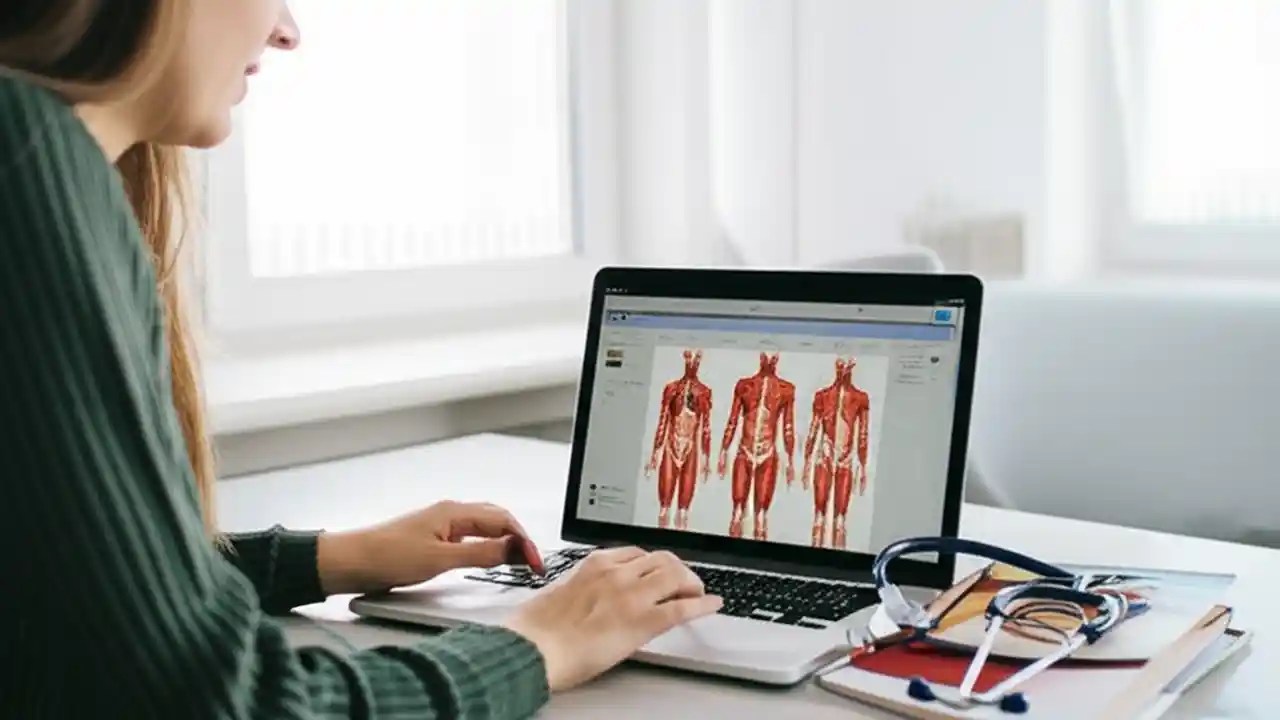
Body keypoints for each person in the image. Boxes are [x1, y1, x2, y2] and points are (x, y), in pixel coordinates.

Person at [0, 1, 722, 717]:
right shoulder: (30, 167)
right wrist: (540, 643)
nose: (286, 30)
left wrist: (338, 557)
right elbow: (227, 702)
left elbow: (65, 594)